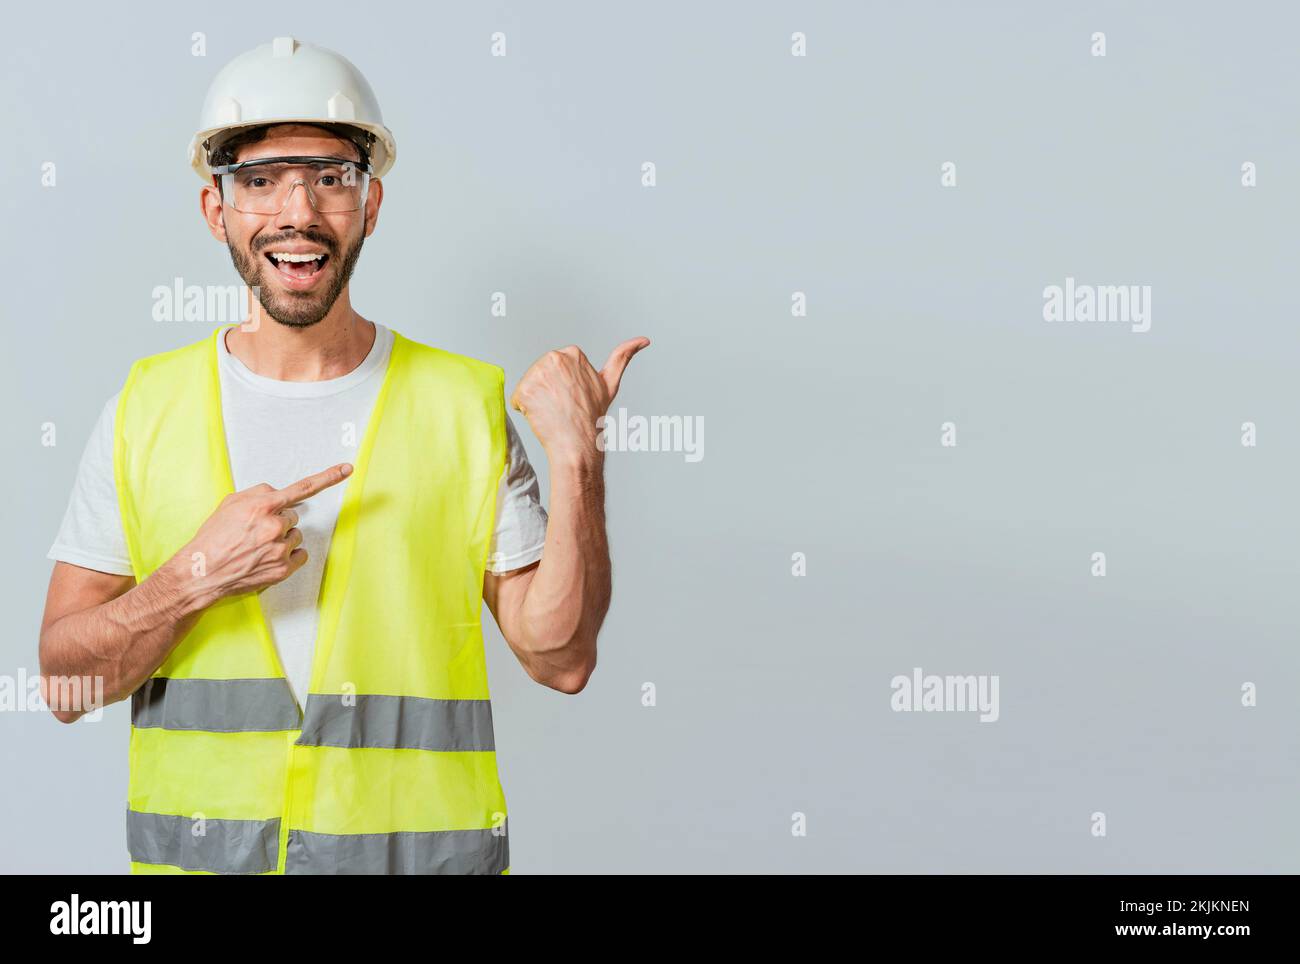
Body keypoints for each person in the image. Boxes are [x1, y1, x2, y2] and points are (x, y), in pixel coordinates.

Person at [37, 36, 648, 875]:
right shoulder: (144, 411)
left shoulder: (460, 404)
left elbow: (563, 657)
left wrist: (580, 457)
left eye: (331, 176)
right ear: (217, 211)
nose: (299, 212)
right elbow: (65, 686)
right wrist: (193, 579)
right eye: (260, 180)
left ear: (372, 205)